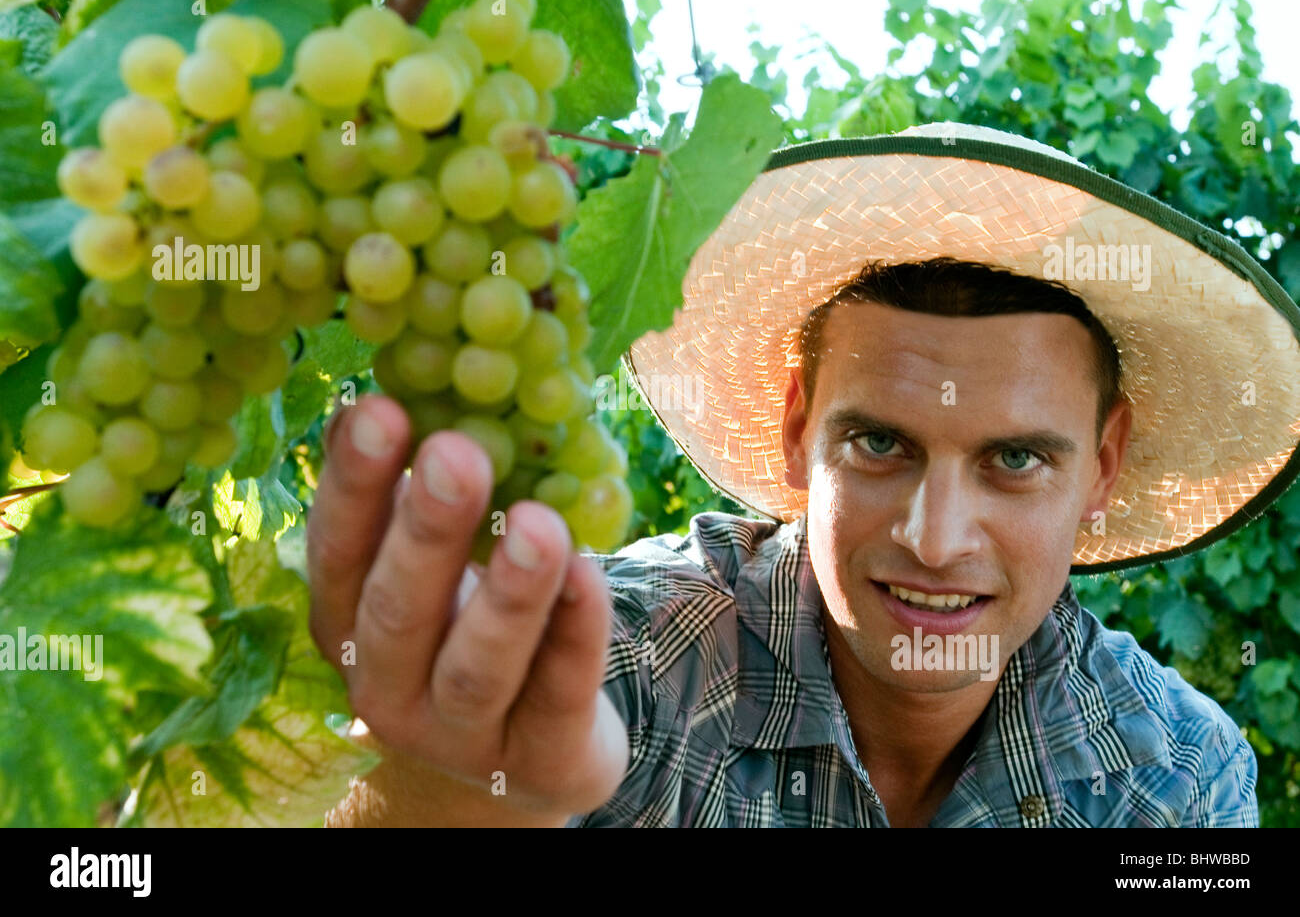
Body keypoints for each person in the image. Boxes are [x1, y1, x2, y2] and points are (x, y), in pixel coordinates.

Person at [307, 123, 1300, 826]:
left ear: (1103, 468)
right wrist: (454, 799)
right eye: (879, 444)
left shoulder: (1174, 779)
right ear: (796, 431)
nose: (936, 536)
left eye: (1014, 459)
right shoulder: (608, 666)